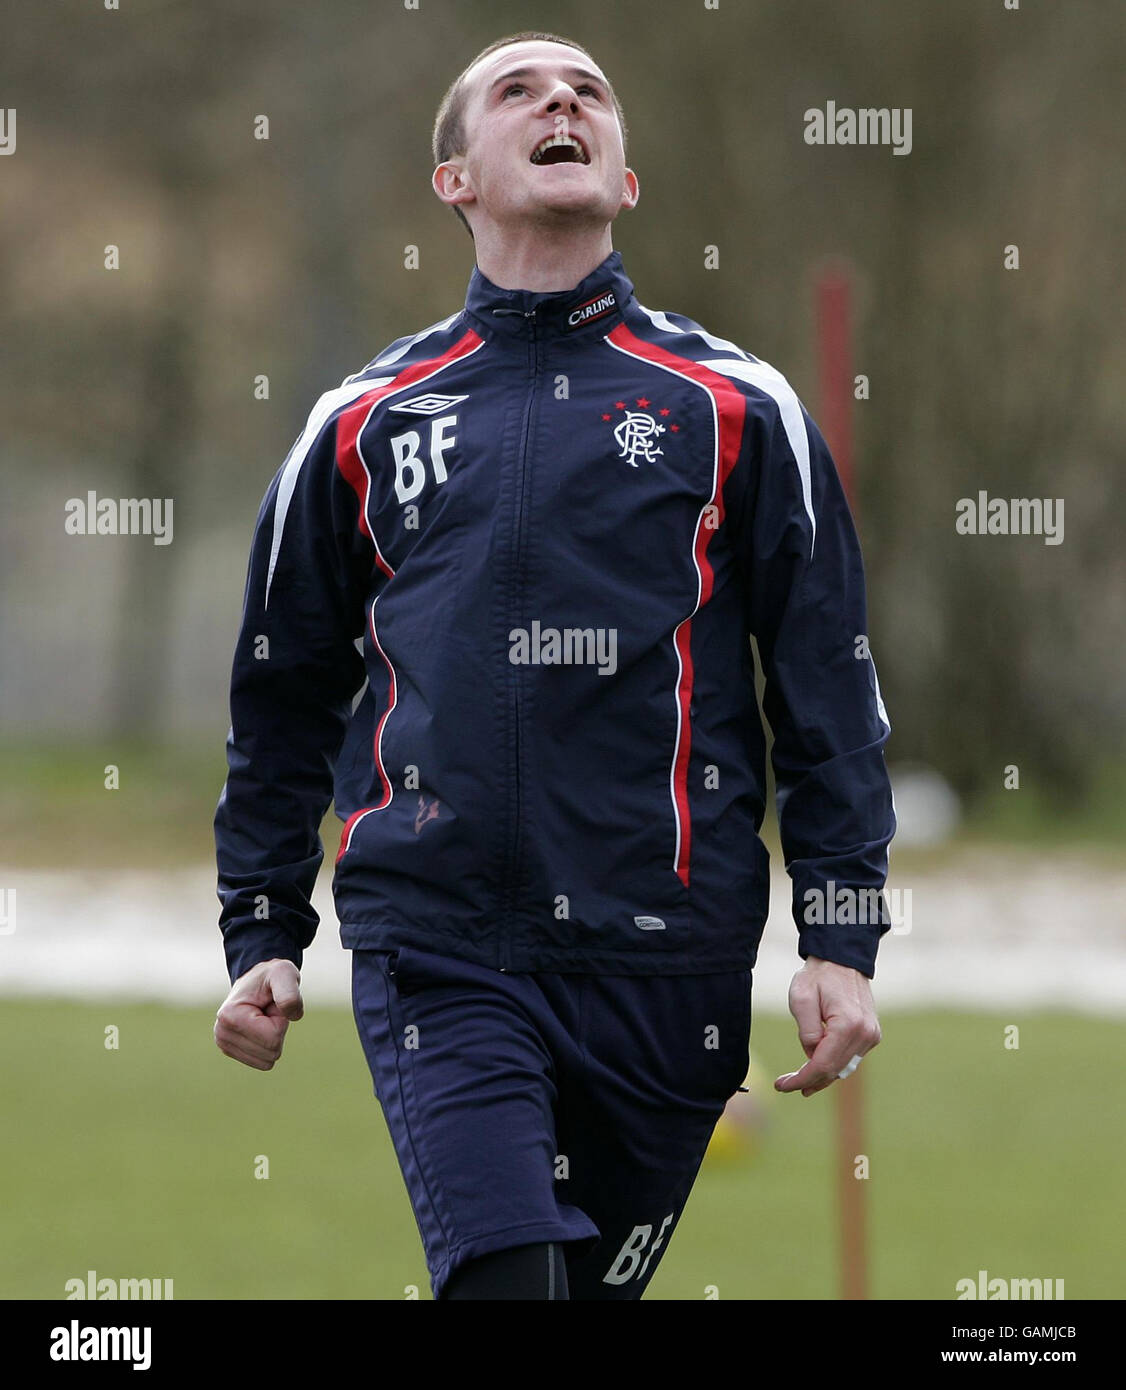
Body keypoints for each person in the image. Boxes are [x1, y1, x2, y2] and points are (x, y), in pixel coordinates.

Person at [213, 30, 895, 1301]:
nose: (561, 101)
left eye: (587, 92)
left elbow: (828, 692)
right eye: (517, 92)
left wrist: (840, 931)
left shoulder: (736, 405)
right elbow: (280, 688)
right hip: (439, 941)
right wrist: (262, 923)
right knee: (506, 1282)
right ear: (455, 178)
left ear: (624, 181)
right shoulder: (363, 419)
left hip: (670, 959)